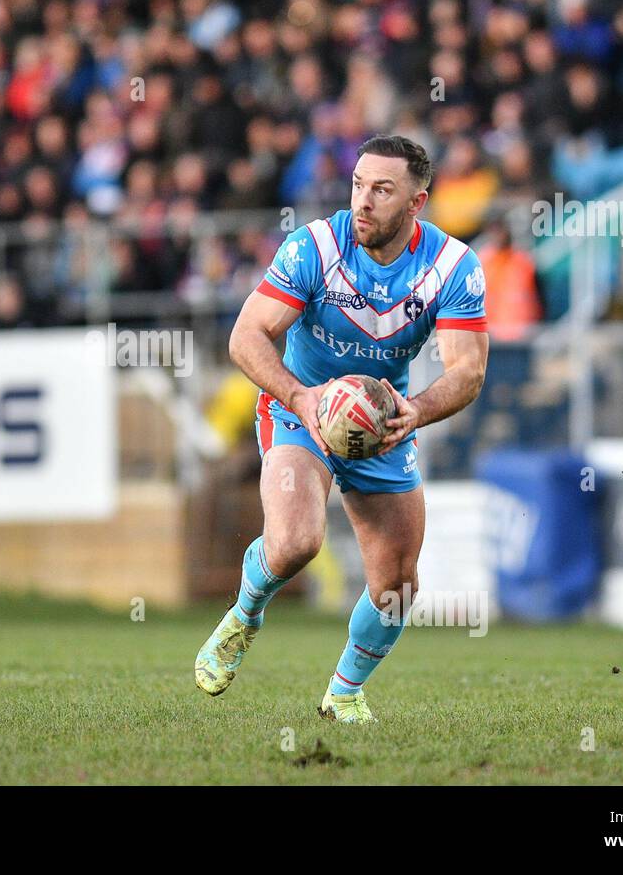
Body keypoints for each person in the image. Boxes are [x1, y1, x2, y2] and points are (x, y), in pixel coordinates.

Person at [193, 135, 489, 723]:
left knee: (398, 586)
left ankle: (344, 694)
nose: (364, 201)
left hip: (383, 424)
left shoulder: (452, 266)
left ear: (417, 203)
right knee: (297, 543)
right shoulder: (315, 247)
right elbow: (246, 337)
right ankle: (244, 614)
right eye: (358, 185)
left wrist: (417, 412)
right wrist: (301, 398)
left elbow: (468, 369)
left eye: (382, 190)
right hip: (299, 410)